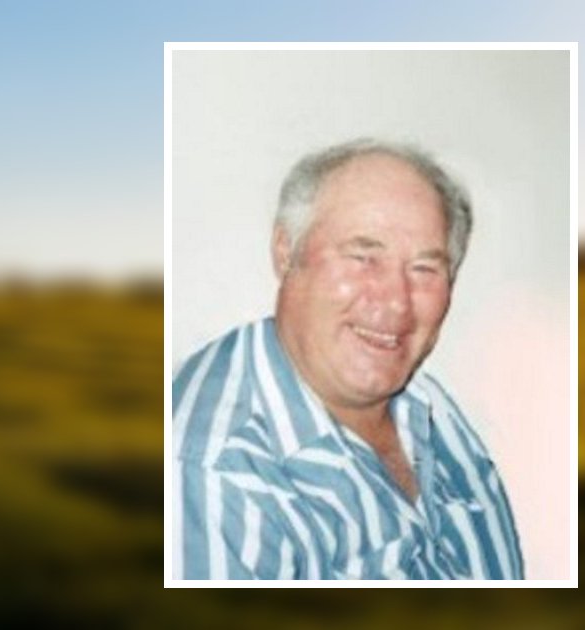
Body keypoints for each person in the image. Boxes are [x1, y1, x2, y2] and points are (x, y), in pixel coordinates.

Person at [171, 138, 523, 579]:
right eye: (363, 257)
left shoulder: (428, 405)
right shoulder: (213, 473)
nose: (396, 302)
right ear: (285, 251)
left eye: (424, 269)